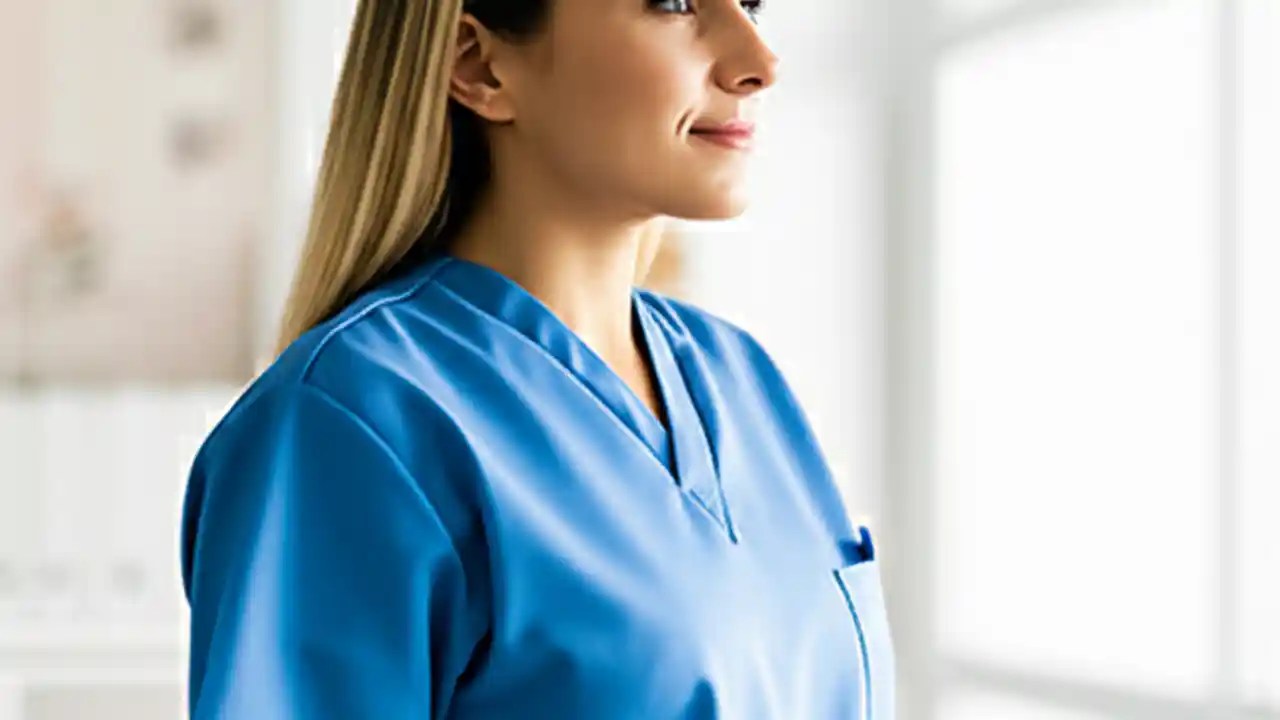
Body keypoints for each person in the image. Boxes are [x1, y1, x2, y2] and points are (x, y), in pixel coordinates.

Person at [178, 0, 896, 717]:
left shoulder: (745, 381)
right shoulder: (347, 426)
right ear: (479, 64)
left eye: (753, 3)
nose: (760, 64)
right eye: (675, 3)